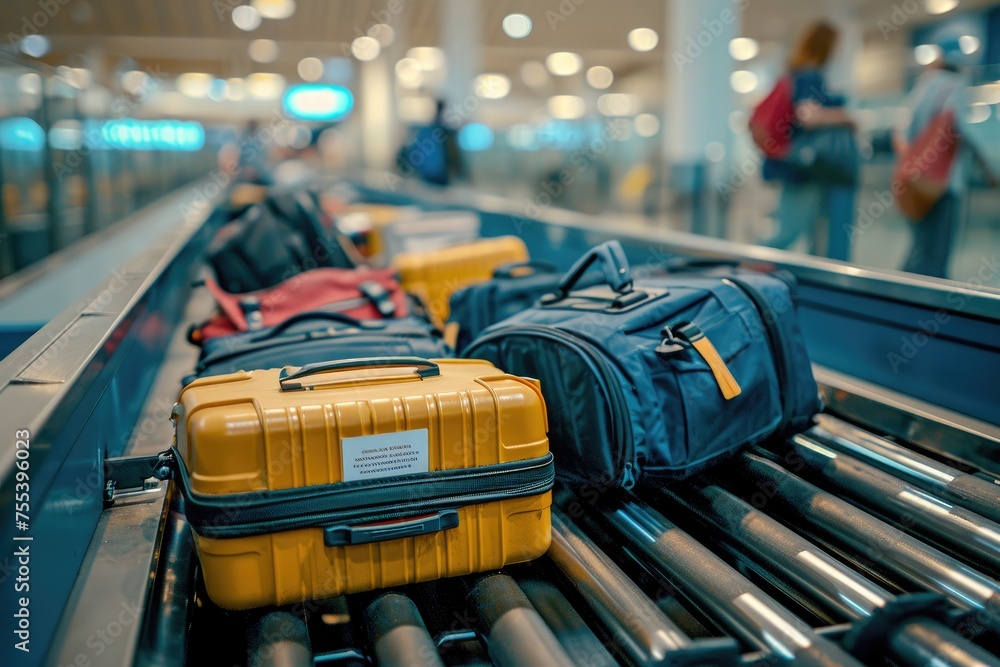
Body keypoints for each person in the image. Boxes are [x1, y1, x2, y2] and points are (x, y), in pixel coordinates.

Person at [761, 21, 857, 261]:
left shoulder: (800, 73)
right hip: (807, 167)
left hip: (808, 167)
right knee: (788, 233)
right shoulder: (811, 75)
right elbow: (808, 116)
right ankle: (742, 267)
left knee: (809, 233)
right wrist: (846, 118)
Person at [893, 57, 995, 279]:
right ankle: (927, 306)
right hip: (944, 183)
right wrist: (986, 167)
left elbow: (902, 134)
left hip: (916, 182)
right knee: (936, 254)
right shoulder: (954, 85)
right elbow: (959, 126)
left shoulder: (920, 88)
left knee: (920, 245)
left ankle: (901, 299)